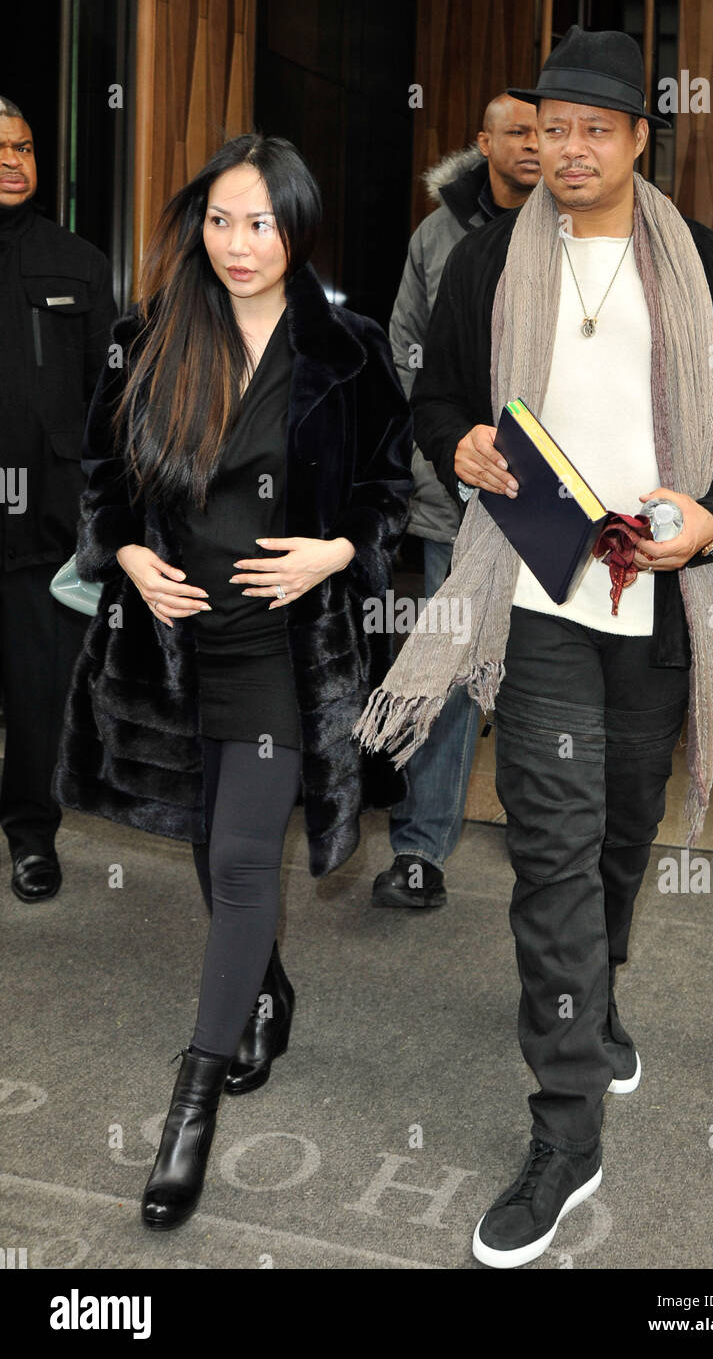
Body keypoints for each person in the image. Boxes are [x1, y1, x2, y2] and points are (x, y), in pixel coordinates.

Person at [355, 26, 713, 1267]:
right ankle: (564, 1125)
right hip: (535, 588)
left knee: (614, 834)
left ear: (640, 139)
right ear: (527, 136)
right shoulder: (485, 261)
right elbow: (436, 397)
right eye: (550, 127)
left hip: (656, 601)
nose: (567, 149)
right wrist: (463, 446)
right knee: (546, 844)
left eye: (594, 128)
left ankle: (593, 998)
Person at [53, 134, 412, 1229]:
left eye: (259, 221)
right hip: (171, 647)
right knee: (214, 851)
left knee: (248, 855)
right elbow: (103, 481)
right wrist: (122, 555)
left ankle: (190, 1106)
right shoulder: (147, 340)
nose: (237, 243)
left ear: (295, 227)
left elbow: (388, 490)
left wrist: (334, 555)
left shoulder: (346, 351)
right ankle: (265, 989)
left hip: (280, 654)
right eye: (219, 219)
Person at [374, 94, 540, 909]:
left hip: (558, 507)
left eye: (547, 129)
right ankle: (420, 849)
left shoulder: (579, 228)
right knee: (443, 676)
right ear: (483, 143)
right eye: (517, 131)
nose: (536, 144)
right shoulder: (436, 237)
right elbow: (406, 355)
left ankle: (546, 840)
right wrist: (454, 439)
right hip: (457, 501)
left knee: (538, 677)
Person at [0, 95, 115, 903]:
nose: (13, 160)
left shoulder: (77, 260)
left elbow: (107, 403)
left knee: (40, 696)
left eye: (25, 146)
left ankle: (32, 837)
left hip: (44, 526)